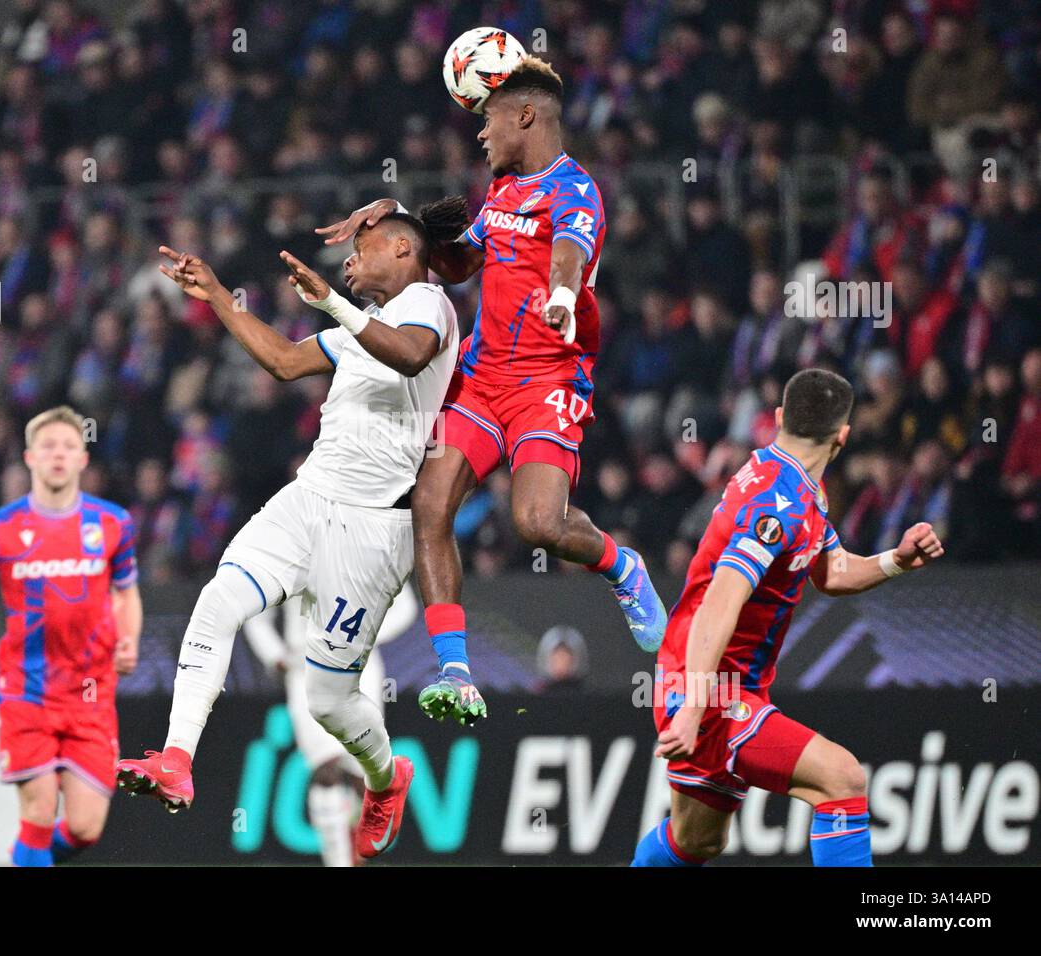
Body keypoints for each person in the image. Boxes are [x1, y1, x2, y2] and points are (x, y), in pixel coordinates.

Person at [317, 57, 666, 727]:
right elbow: (461, 264)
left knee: (538, 524)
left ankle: (622, 566)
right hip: (481, 379)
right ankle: (456, 670)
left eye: (488, 119)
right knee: (430, 503)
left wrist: (563, 296)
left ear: (525, 117)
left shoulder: (576, 193)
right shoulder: (502, 192)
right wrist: (403, 226)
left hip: (548, 382)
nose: (480, 134)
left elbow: (568, 253)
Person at [115, 198, 467, 859]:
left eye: (361, 251)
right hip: (309, 499)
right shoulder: (361, 324)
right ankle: (176, 757)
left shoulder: (428, 308)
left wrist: (336, 302)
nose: (350, 262)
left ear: (400, 250)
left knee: (333, 701)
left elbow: (412, 358)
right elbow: (281, 360)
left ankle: (386, 782)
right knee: (219, 601)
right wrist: (218, 295)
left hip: (371, 529)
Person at [633, 369, 944, 867]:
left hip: (713, 681)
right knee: (841, 779)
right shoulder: (779, 505)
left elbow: (832, 571)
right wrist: (693, 708)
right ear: (844, 435)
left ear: (779, 418)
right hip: (710, 690)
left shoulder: (793, 483)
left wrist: (896, 560)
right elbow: (721, 600)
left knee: (698, 841)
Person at [0, 406, 142, 867]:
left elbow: (126, 593)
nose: (58, 455)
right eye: (48, 446)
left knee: (85, 829)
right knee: (40, 809)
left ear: (83, 459)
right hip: (27, 691)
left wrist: (129, 639)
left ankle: (27, 858)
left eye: (68, 446)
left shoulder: (112, 524)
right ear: (29, 458)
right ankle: (31, 850)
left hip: (91, 692)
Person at [243, 586, 419, 867]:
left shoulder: (374, 542)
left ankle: (363, 857)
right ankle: (337, 862)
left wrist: (364, 636)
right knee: (326, 766)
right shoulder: (286, 544)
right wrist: (274, 654)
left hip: (358, 667)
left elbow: (405, 607)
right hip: (305, 669)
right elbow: (255, 610)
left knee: (363, 772)